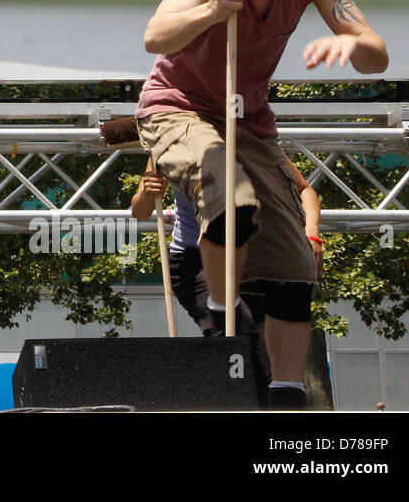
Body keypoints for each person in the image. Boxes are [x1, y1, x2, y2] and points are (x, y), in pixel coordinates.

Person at [135, 0, 385, 408]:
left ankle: (288, 394)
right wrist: (211, 10)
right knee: (231, 195)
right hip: (176, 108)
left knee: (296, 269)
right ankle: (223, 315)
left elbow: (375, 52)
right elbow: (155, 35)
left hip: (247, 120)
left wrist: (351, 47)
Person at [131, 158, 323, 397]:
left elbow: (305, 190)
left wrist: (311, 233)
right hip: (196, 262)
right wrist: (149, 193)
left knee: (269, 354)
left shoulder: (253, 141)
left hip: (253, 263)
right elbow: (139, 212)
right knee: (235, 335)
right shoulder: (168, 144)